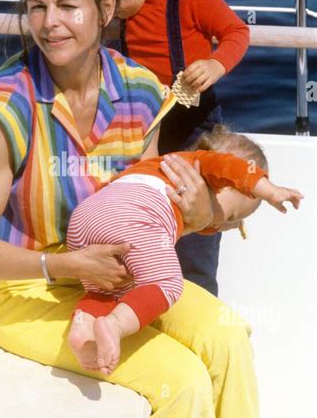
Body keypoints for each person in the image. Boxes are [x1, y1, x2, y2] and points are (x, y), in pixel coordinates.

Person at [0, 0, 286, 418]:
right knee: (182, 382)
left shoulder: (140, 90)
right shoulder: (5, 110)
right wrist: (64, 264)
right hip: (27, 289)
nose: (49, 23)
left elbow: (145, 209)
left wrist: (205, 216)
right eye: (37, 7)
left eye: (67, 6)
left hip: (116, 274)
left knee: (228, 338)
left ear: (106, 9)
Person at [69, 0, 251, 297]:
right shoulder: (118, 6)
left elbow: (236, 31)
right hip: (141, 122)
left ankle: (198, 293)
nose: (110, 9)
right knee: (140, 212)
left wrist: (215, 65)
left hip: (193, 126)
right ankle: (142, 290)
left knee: (193, 215)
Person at [66, 125, 304, 376]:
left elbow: (205, 223)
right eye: (232, 215)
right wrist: (270, 190)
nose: (223, 224)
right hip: (135, 217)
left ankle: (83, 330)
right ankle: (114, 325)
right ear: (224, 183)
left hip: (84, 220)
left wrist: (223, 221)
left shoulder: (160, 166)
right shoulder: (207, 163)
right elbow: (236, 169)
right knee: (167, 284)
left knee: (107, 288)